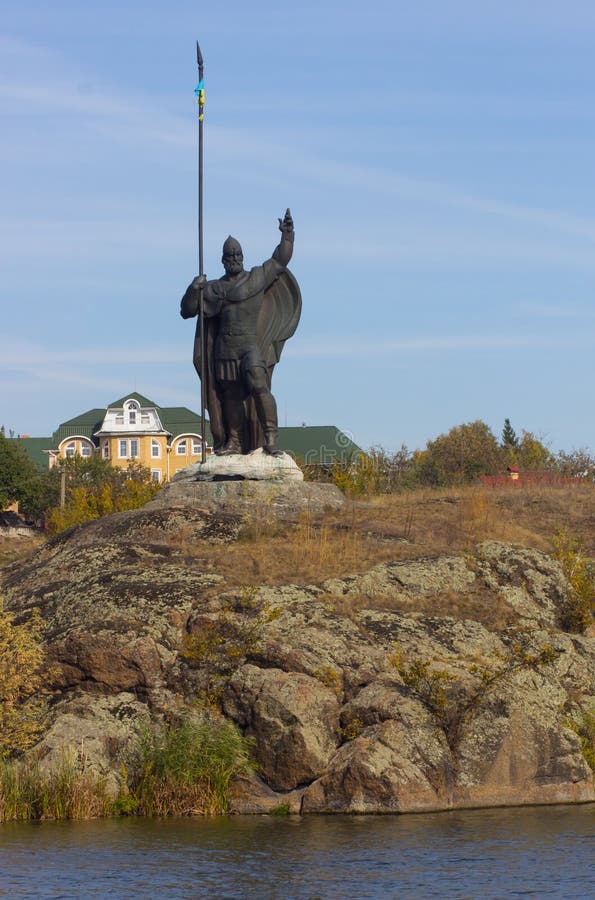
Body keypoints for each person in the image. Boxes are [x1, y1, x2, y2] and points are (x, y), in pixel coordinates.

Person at [180, 209, 300, 456]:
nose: (234, 257)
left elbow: (280, 260)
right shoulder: (213, 288)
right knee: (231, 397)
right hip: (224, 349)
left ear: (243, 256)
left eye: (237, 254)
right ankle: (233, 441)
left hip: (249, 347)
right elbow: (187, 311)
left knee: (259, 386)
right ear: (223, 259)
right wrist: (194, 289)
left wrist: (287, 237)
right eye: (229, 255)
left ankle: (270, 439)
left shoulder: (256, 278)